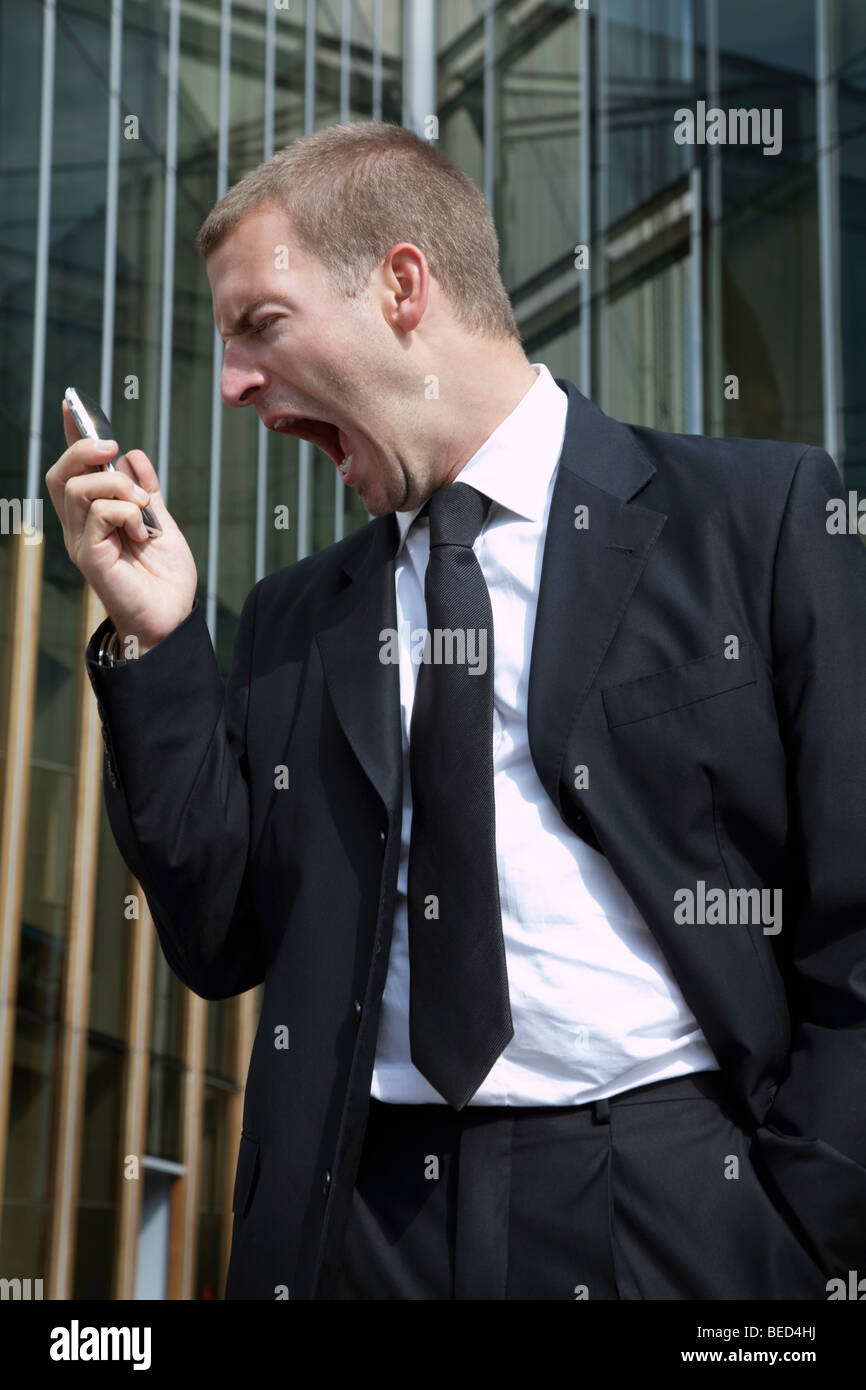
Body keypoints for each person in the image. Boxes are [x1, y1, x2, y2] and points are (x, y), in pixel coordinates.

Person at [47, 121, 866, 1301]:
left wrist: (802, 1229)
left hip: (676, 1211)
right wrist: (159, 640)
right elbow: (218, 932)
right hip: (365, 1223)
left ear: (400, 285)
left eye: (258, 328)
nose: (231, 387)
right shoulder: (295, 619)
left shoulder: (756, 520)